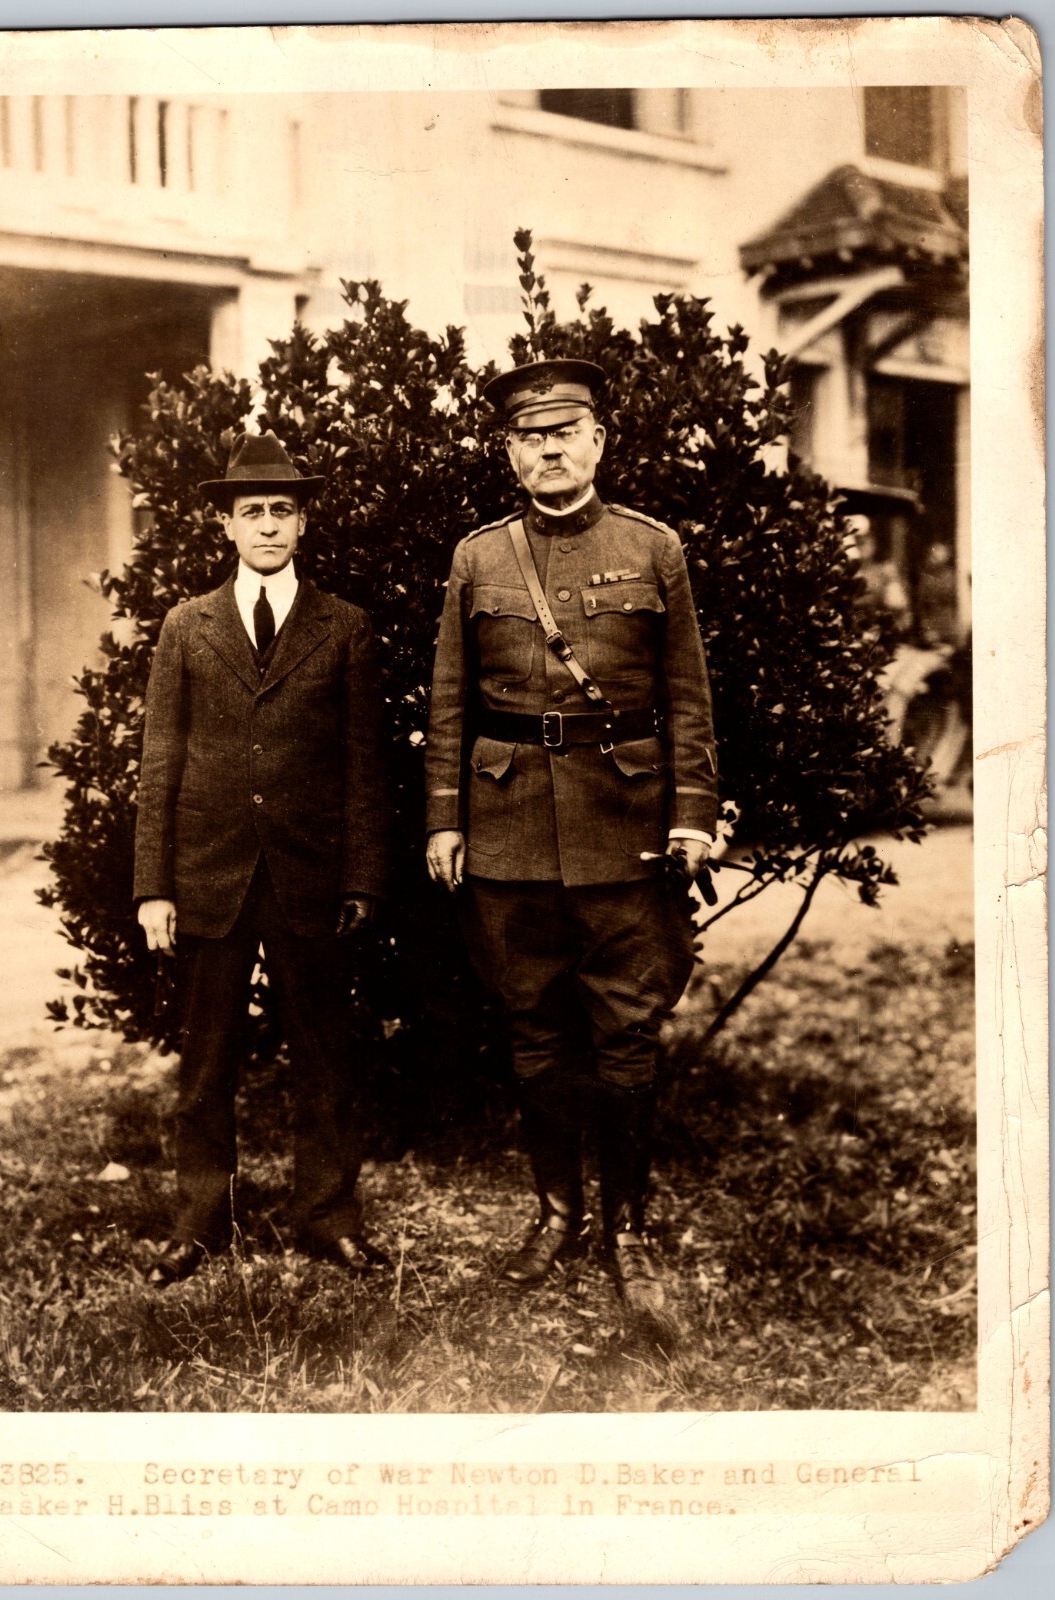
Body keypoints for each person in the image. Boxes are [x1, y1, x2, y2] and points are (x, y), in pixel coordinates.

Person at [424, 359, 718, 1335]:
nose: (547, 450)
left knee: (626, 1030)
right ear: (507, 452)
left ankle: (624, 1227)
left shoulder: (653, 547)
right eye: (528, 436)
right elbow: (450, 701)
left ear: (597, 441)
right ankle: (556, 1214)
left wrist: (691, 811)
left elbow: (686, 696)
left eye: (565, 432)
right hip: (506, 827)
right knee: (533, 1025)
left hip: (625, 823)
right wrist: (444, 818)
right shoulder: (478, 557)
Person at [134, 431, 391, 1286]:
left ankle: (328, 1216)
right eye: (254, 512)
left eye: (284, 511)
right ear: (227, 526)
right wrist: (153, 888)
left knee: (324, 1052)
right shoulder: (186, 626)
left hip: (308, 873)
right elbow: (160, 762)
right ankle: (200, 1220)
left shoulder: (344, 628)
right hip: (209, 873)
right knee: (206, 1058)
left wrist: (360, 876)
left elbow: (363, 764)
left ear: (305, 523)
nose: (270, 527)